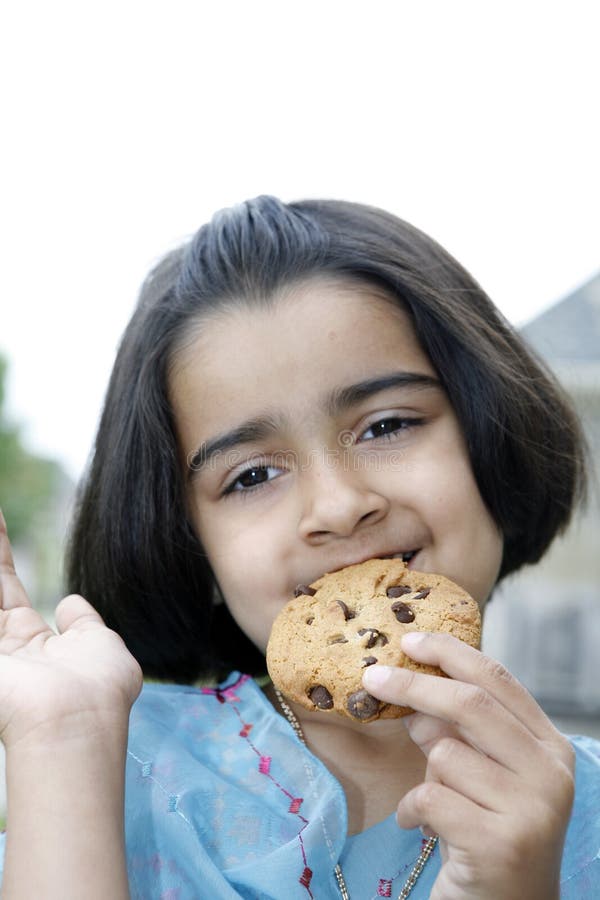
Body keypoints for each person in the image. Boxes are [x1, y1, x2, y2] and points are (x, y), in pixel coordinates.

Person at [0, 196, 598, 899]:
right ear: (191, 545)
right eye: (252, 475)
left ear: (488, 434)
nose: (339, 505)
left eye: (387, 425)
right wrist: (59, 743)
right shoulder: (102, 772)